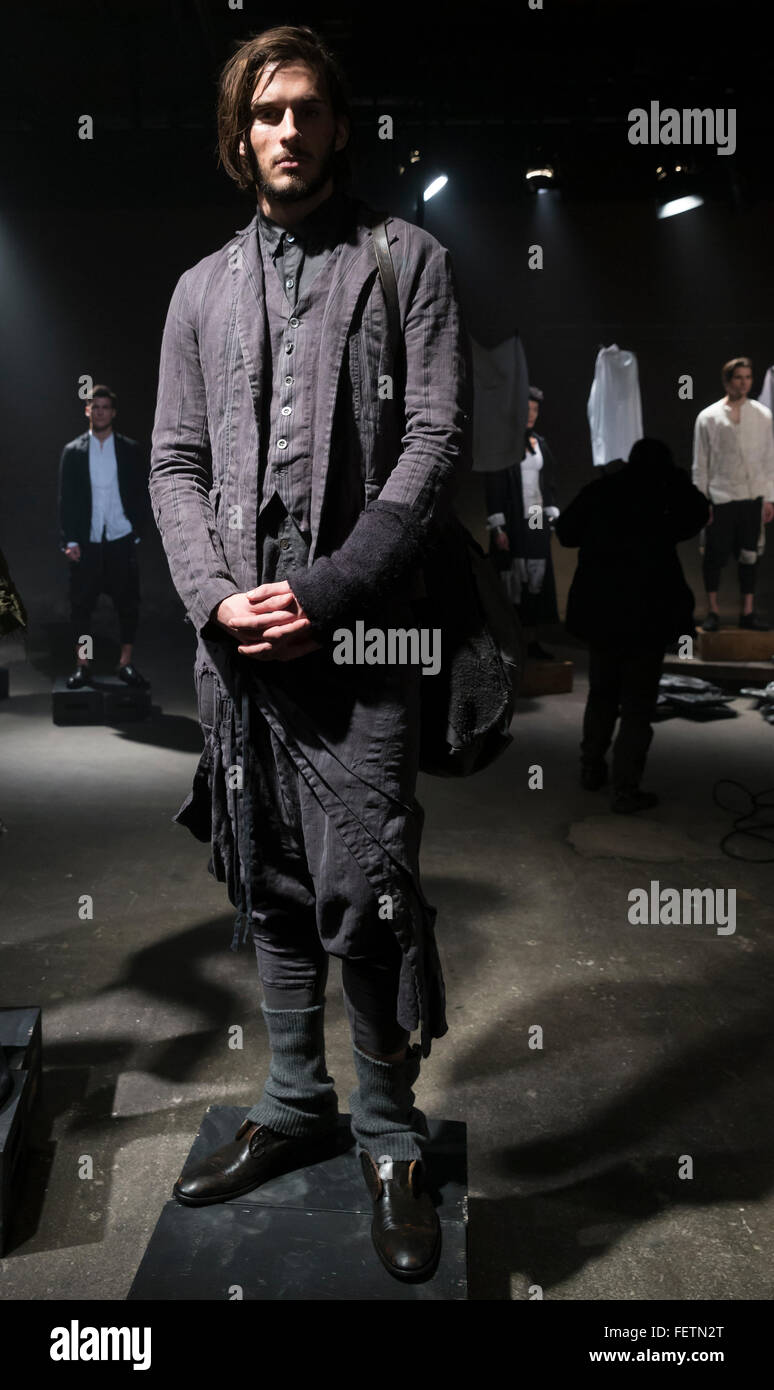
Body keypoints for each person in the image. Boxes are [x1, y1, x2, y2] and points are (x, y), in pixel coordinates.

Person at [148, 24, 470, 1281]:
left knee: (370, 886)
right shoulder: (197, 291)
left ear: (340, 126)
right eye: (266, 113)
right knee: (269, 878)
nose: (288, 130)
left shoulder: (411, 262)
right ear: (243, 137)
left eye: (309, 110)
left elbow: (435, 442)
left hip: (362, 641)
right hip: (240, 653)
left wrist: (328, 591)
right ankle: (294, 1102)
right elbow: (173, 463)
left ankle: (388, 1132)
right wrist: (219, 600)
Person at [554, 438, 709, 814]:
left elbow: (567, 533)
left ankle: (591, 769)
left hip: (603, 611)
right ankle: (625, 788)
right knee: (638, 703)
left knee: (602, 694)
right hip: (648, 614)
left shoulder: (602, 490)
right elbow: (699, 513)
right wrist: (674, 479)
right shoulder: (665, 494)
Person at [58, 385, 150, 688]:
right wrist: (69, 540)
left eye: (105, 407)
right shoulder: (73, 452)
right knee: (81, 608)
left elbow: (140, 493)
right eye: (94, 407)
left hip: (120, 538)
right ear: (87, 411)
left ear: (114, 412)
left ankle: (125, 663)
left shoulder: (129, 449)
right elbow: (66, 500)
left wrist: (137, 531)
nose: (99, 412)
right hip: (86, 542)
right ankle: (83, 665)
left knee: (128, 604)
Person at [692, 357, 774, 632]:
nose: (744, 382)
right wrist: (702, 499)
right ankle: (712, 610)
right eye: (738, 377)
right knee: (714, 556)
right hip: (721, 496)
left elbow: (769, 459)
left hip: (751, 497)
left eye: (748, 377)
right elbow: (700, 462)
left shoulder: (763, 415)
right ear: (728, 380)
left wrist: (769, 497)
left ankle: (747, 612)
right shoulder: (708, 417)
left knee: (750, 555)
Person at [484, 385, 560, 659]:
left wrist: (549, 517)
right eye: (526, 409)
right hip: (514, 517)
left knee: (536, 577)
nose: (531, 414)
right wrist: (498, 527)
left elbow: (547, 480)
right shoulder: (503, 444)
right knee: (513, 578)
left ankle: (531, 641)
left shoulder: (539, 442)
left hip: (536, 515)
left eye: (535, 409)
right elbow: (494, 485)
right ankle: (509, 643)